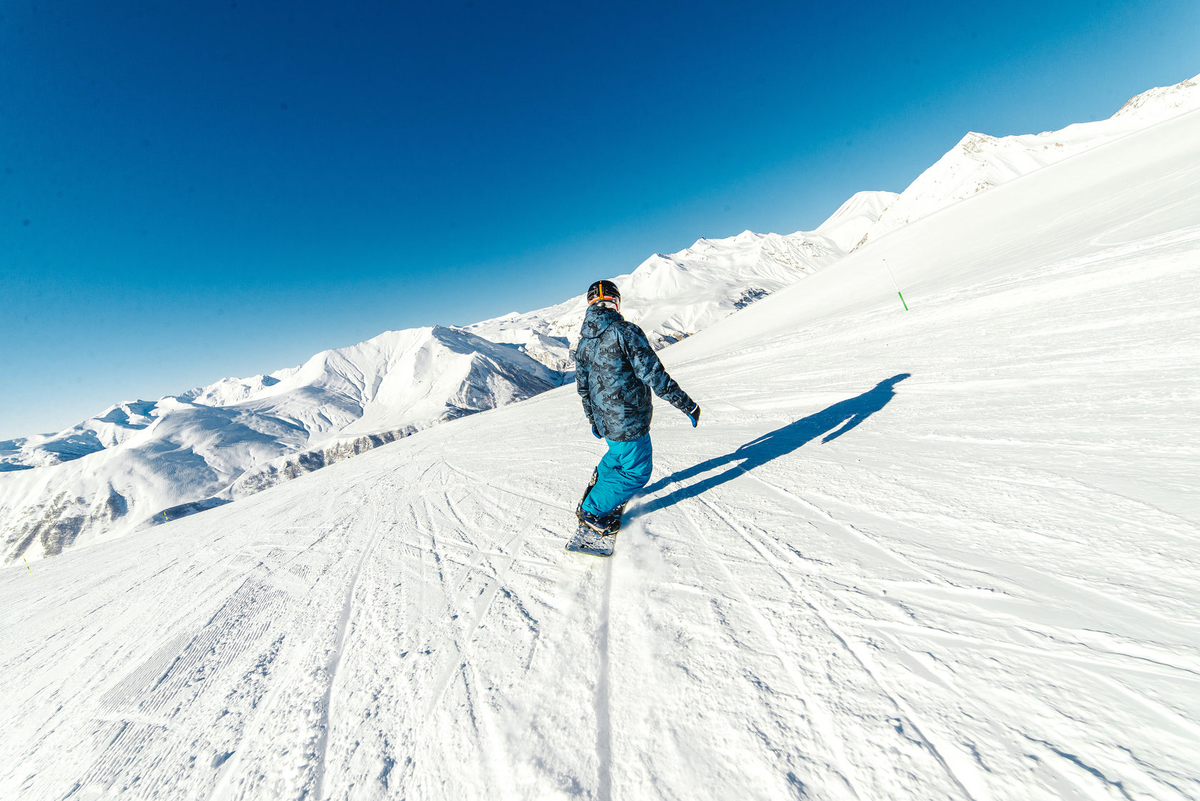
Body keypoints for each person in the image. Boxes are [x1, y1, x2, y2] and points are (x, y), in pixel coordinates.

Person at [574, 279, 701, 534]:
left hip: (605, 421)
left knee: (618, 455)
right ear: (615, 303)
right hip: (629, 419)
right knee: (637, 472)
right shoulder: (625, 331)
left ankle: (600, 483)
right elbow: (654, 374)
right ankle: (592, 511)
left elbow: (583, 388)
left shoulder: (583, 343)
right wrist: (687, 405)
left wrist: (593, 420)